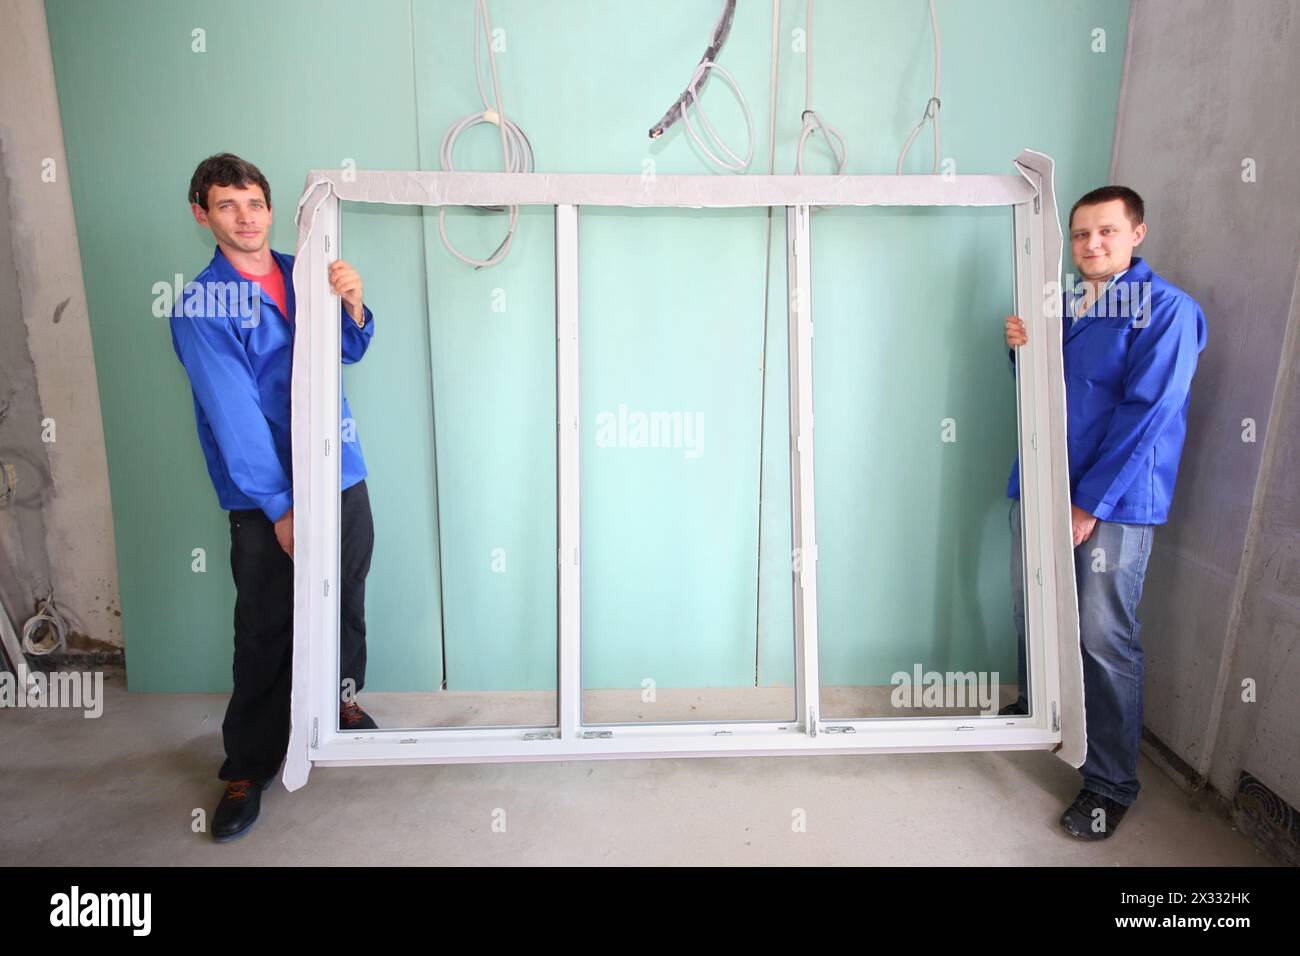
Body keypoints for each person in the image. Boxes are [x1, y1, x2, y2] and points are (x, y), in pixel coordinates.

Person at [169, 153, 380, 842]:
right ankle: (249, 764)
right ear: (204, 215)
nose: (245, 215)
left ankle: (340, 703)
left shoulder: (303, 268)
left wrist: (352, 303)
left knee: (347, 591)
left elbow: (346, 350)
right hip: (270, 496)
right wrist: (282, 508)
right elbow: (233, 417)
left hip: (338, 469)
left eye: (254, 201)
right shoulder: (203, 303)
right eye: (227, 205)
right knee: (266, 623)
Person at [1000, 185, 1206, 840]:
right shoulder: (1061, 305)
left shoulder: (1168, 311)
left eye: (1107, 232)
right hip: (1042, 481)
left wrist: (1089, 503)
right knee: (1031, 609)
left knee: (1101, 635)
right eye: (1081, 233)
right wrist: (1021, 350)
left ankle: (1110, 783)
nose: (1091, 244)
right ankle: (1046, 708)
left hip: (1112, 501)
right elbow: (1049, 393)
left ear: (1136, 234)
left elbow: (1149, 413)